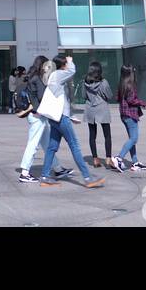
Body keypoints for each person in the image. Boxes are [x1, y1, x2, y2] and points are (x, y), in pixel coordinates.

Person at [39, 55, 105, 189]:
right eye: (65, 63)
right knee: (74, 146)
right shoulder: (58, 74)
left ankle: (45, 176)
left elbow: (60, 100)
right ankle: (88, 178)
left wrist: (70, 116)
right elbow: (72, 71)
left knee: (52, 147)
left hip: (55, 118)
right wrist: (70, 61)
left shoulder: (53, 76)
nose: (67, 65)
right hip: (61, 118)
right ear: (62, 65)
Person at [17, 56, 72, 183]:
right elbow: (42, 97)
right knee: (33, 144)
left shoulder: (33, 77)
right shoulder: (38, 79)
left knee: (47, 144)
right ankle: (24, 172)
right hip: (37, 116)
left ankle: (57, 169)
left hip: (36, 115)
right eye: (47, 65)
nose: (48, 67)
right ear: (42, 65)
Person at [110, 65, 146, 172]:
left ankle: (135, 162)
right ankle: (119, 158)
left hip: (124, 114)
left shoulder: (121, 84)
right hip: (131, 114)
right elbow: (131, 100)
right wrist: (142, 103)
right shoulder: (130, 85)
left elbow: (117, 98)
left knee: (132, 138)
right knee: (134, 138)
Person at [82, 61, 114, 169]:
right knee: (107, 135)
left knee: (92, 135)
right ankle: (108, 158)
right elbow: (109, 95)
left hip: (90, 109)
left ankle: (95, 159)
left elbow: (84, 96)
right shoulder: (103, 82)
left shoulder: (85, 83)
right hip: (102, 109)